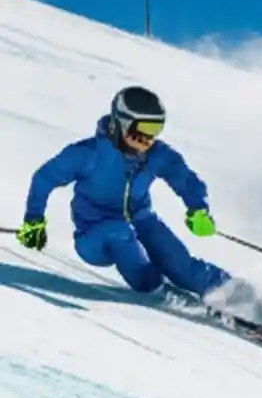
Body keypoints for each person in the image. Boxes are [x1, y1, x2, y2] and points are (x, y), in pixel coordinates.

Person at [16, 86, 236, 302]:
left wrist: (198, 209)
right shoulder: (88, 154)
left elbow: (186, 181)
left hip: (142, 220)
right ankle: (156, 289)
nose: (148, 139)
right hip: (94, 235)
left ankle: (232, 291)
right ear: (120, 123)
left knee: (179, 263)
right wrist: (33, 219)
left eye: (155, 130)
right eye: (142, 129)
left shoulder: (157, 155)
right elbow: (44, 178)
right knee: (120, 233)